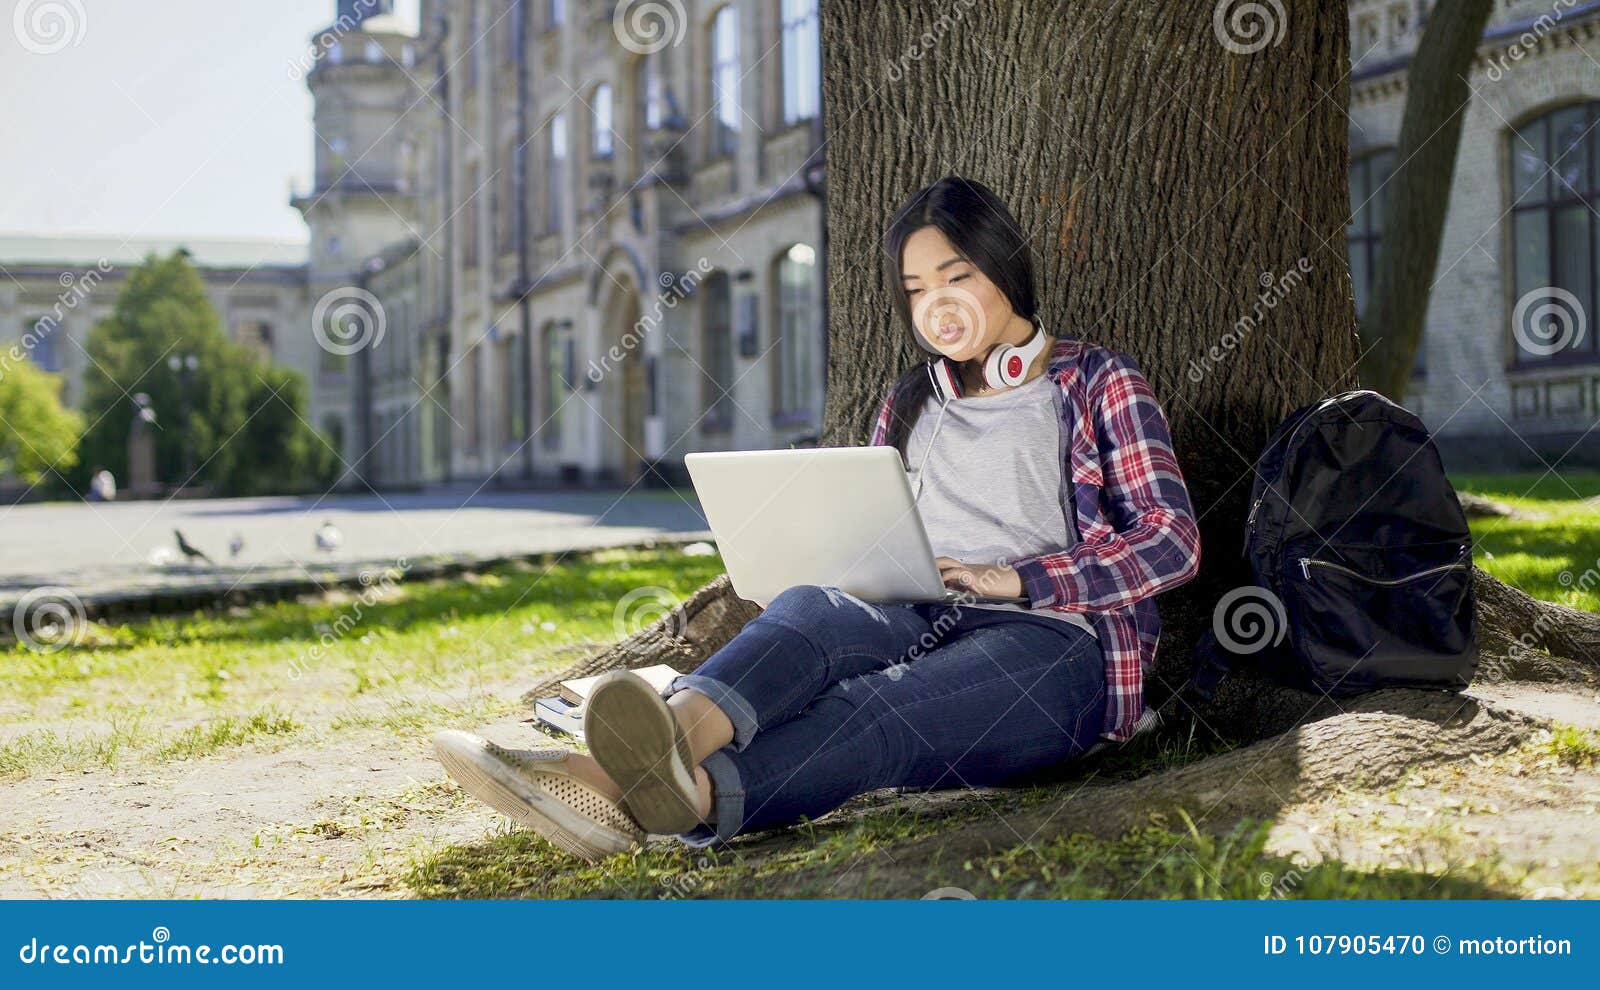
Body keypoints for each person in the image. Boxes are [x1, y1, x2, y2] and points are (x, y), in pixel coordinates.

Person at [432, 175, 1202, 862]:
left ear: (1005, 268)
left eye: (956, 276)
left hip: (1056, 648)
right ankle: (654, 775)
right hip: (914, 612)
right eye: (915, 288)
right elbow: (867, 526)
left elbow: (1172, 542)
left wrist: (1015, 578)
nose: (936, 303)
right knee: (811, 607)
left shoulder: (1097, 381)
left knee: (880, 710)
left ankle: (616, 787)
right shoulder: (909, 402)